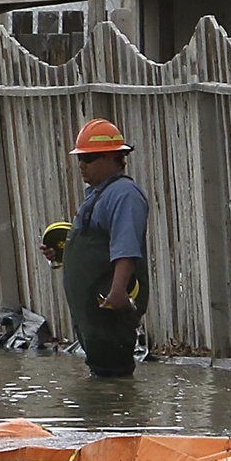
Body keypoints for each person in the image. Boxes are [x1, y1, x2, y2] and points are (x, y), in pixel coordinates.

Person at [47, 117, 147, 378]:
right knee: (102, 377)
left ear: (112, 158)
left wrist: (117, 293)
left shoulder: (124, 194)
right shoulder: (99, 195)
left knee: (113, 381)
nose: (82, 165)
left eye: (89, 159)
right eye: (80, 158)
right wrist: (61, 254)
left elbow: (126, 248)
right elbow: (93, 248)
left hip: (109, 309)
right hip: (94, 315)